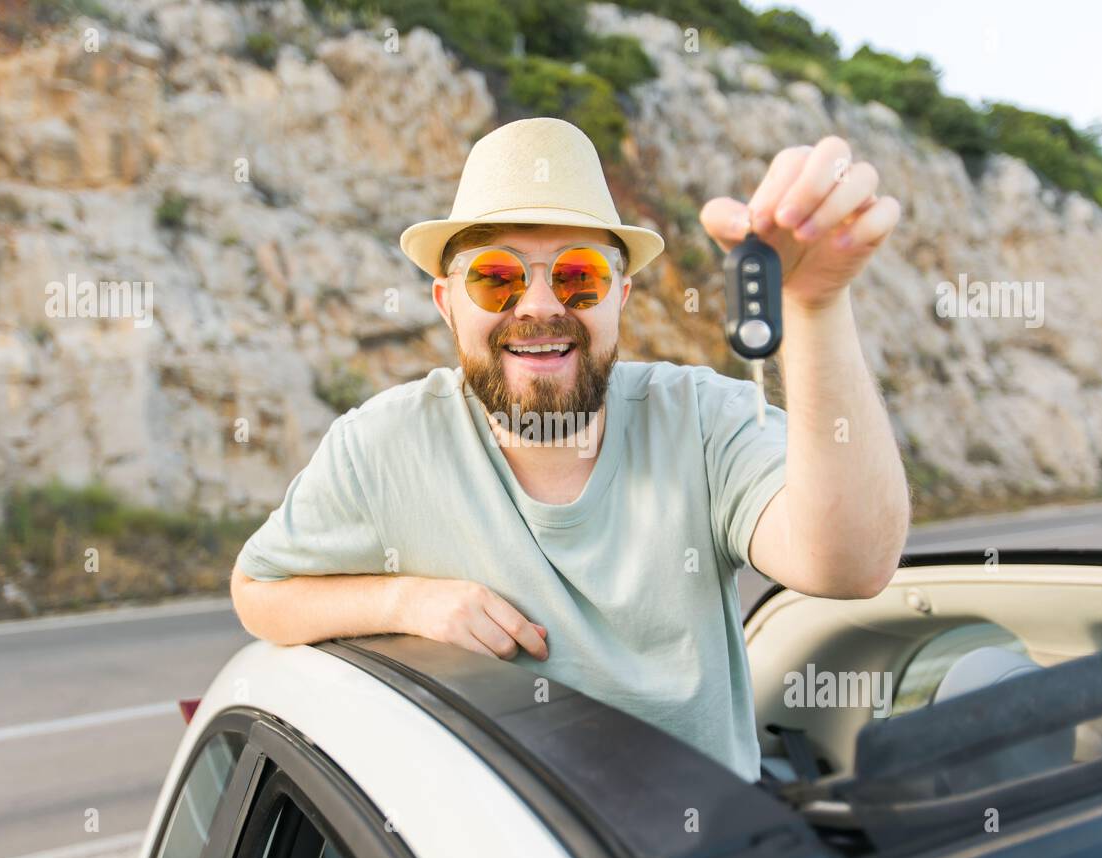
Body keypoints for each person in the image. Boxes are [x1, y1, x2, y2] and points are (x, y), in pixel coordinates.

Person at [230, 117, 909, 782]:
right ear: (446, 303)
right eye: (496, 278)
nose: (538, 306)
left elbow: (848, 564)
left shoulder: (703, 418)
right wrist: (405, 602)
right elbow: (258, 590)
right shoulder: (381, 447)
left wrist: (816, 307)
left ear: (622, 294)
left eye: (577, 276)